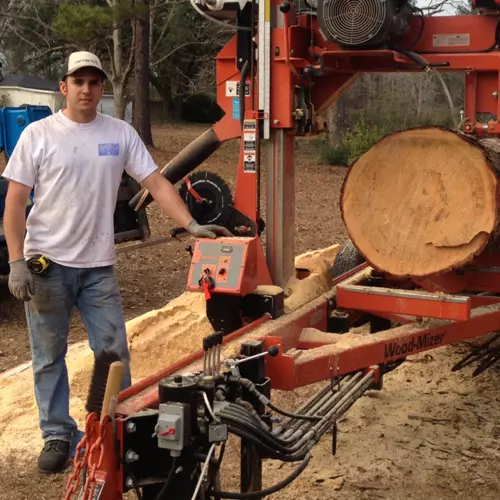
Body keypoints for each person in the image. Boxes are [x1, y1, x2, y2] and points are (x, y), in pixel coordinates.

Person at [2, 51, 231, 474]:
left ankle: (117, 428)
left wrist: (190, 223)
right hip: (45, 265)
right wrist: (16, 260)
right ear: (63, 87)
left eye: (94, 82)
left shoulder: (120, 134)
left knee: (112, 350)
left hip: (98, 268)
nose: (86, 89)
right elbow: (15, 203)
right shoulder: (38, 135)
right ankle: (57, 433)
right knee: (48, 355)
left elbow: (156, 182)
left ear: (102, 87)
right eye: (78, 81)